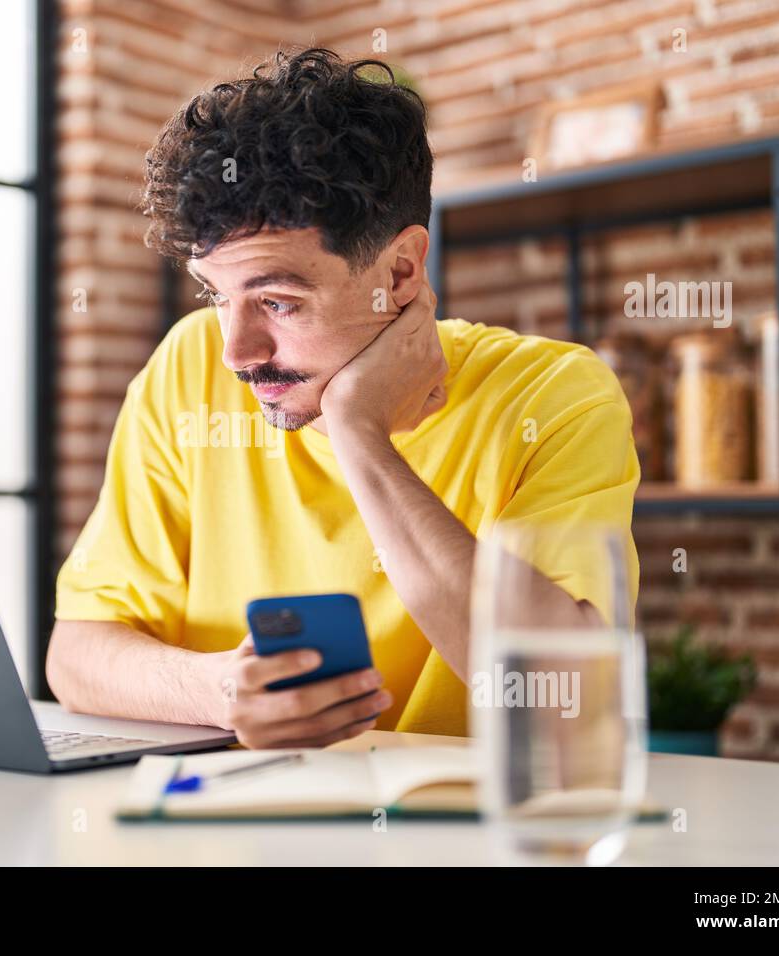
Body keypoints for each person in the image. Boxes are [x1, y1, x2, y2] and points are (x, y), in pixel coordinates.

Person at [48, 48, 639, 749]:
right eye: (217, 296)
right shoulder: (188, 366)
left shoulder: (556, 395)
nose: (237, 351)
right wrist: (223, 692)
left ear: (400, 269)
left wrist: (359, 430)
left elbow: (563, 702)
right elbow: (76, 655)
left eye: (277, 300)